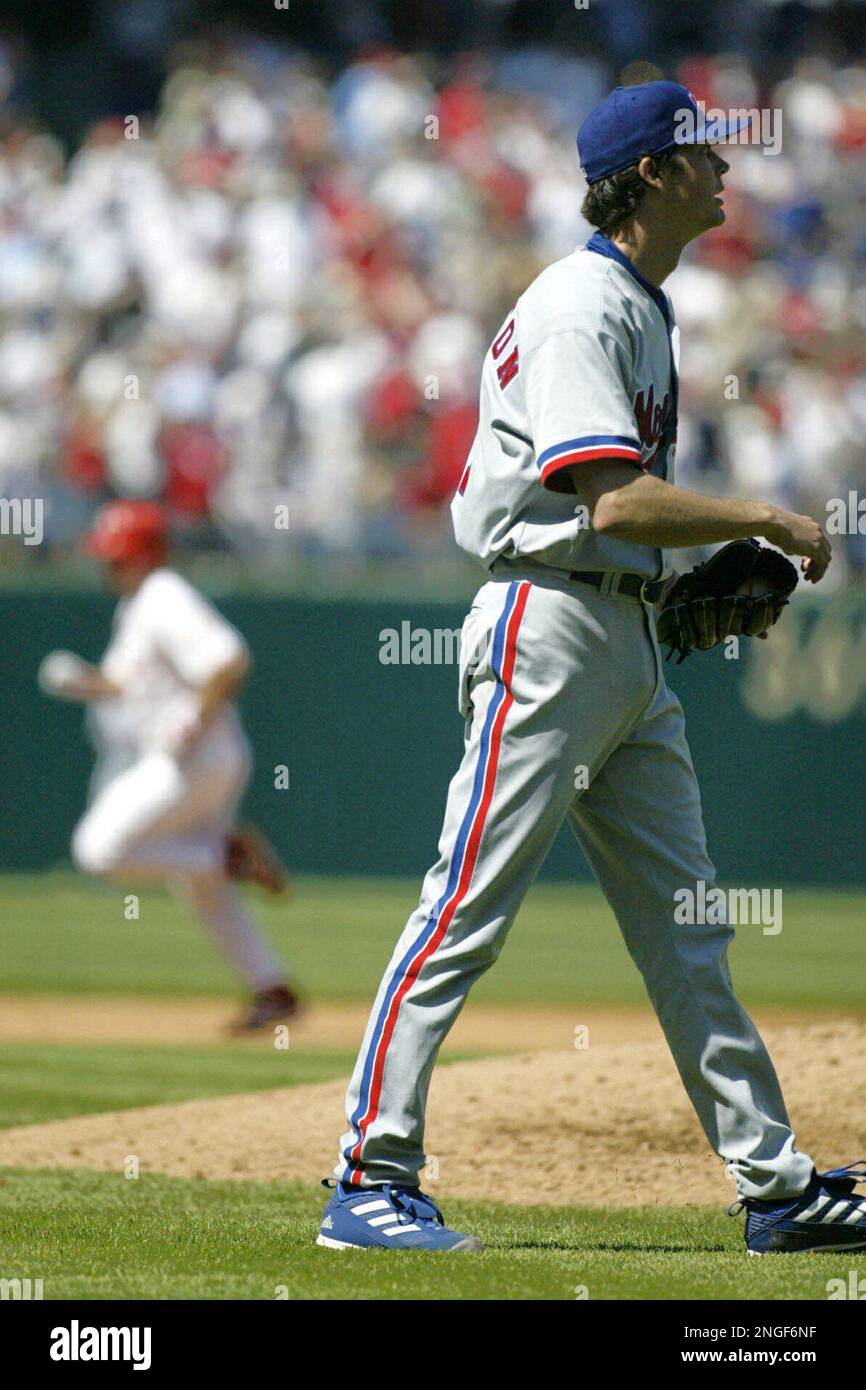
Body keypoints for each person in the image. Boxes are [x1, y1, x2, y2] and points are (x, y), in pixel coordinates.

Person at [316, 81, 866, 1255]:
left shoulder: (635, 300)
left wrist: (683, 572)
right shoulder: (578, 303)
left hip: (616, 629)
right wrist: (759, 520)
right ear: (653, 174)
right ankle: (367, 1174)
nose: (723, 170)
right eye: (701, 153)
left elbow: (618, 514)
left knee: (686, 926)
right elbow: (607, 493)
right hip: (546, 624)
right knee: (463, 903)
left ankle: (773, 1188)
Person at [39, 499, 300, 1034]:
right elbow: (126, 683)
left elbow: (230, 659)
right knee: (198, 887)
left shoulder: (164, 596)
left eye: (119, 556)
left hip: (193, 760)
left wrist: (194, 717)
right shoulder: (137, 605)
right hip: (198, 759)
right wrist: (82, 681)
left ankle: (226, 853)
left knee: (99, 850)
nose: (109, 566)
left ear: (146, 554)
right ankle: (272, 989)